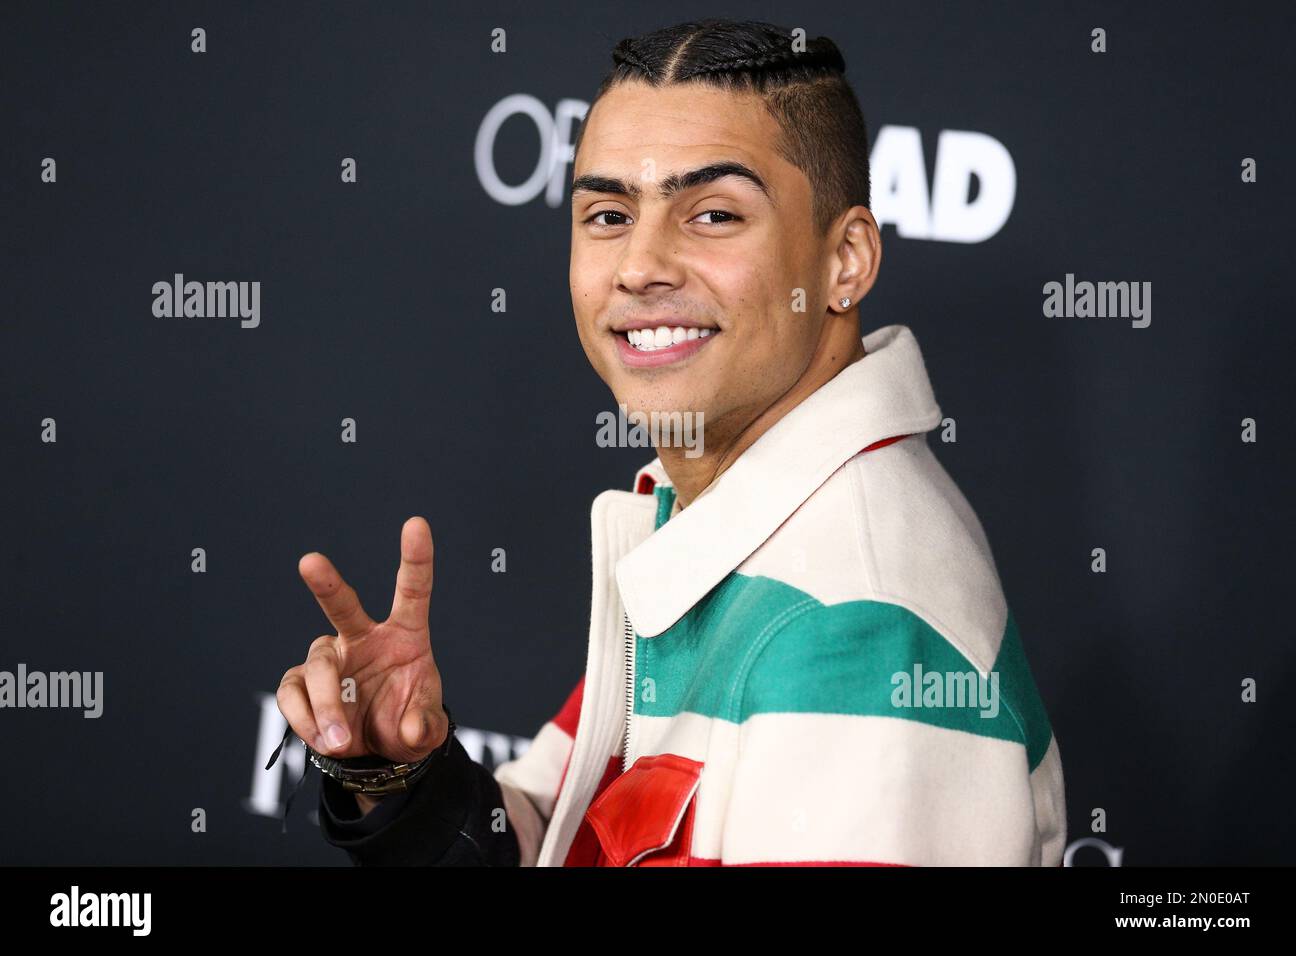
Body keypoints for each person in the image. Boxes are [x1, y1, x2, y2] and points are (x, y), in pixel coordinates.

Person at [273, 17, 1067, 867]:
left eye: (714, 214)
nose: (640, 264)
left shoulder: (858, 625)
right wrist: (402, 774)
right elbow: (561, 842)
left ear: (846, 259)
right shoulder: (722, 511)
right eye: (610, 214)